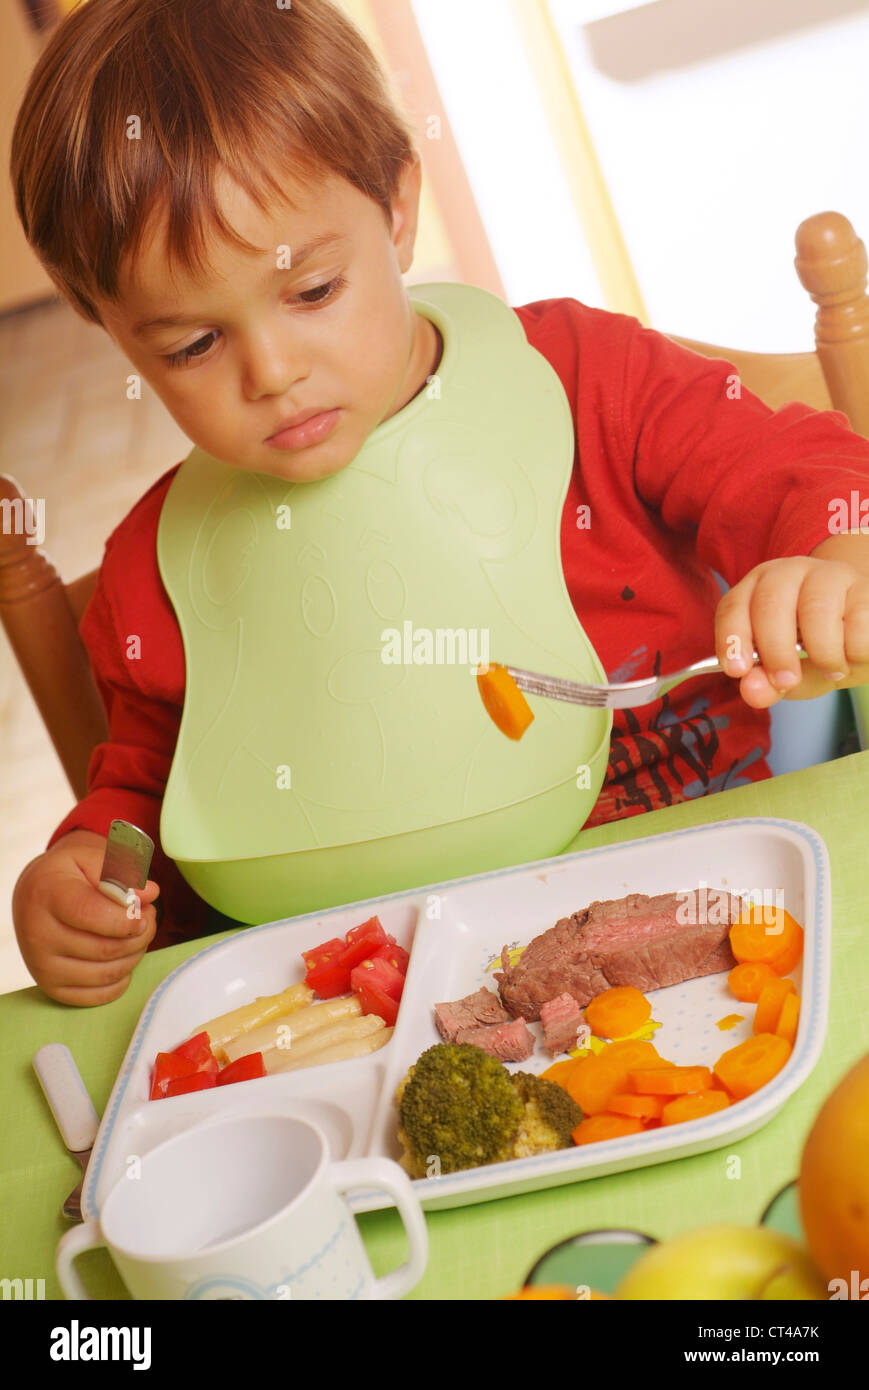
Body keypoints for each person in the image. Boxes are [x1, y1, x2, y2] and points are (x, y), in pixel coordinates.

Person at [9, 0, 869, 1005]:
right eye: (191, 346)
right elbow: (153, 801)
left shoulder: (584, 380)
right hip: (426, 986)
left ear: (397, 206)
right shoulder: (159, 572)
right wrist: (86, 879)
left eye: (312, 291)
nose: (272, 371)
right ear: (109, 330)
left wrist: (830, 563)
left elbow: (798, 469)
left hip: (722, 882)